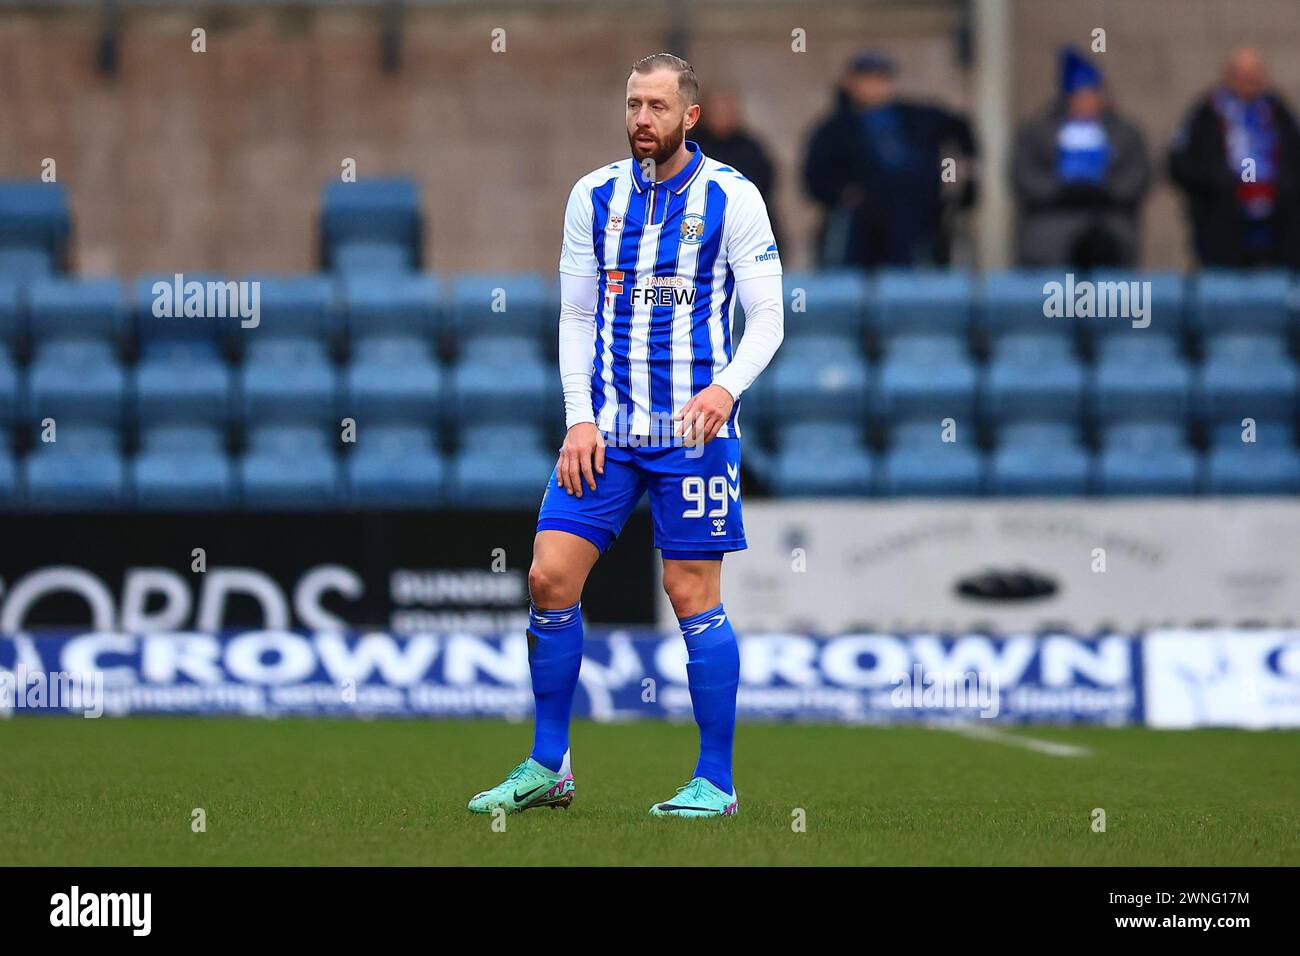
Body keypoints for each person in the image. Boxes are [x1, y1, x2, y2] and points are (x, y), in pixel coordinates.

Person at [466, 53, 785, 819]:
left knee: (691, 593)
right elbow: (576, 316)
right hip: (607, 432)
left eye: (657, 107)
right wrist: (579, 417)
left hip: (694, 432)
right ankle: (550, 766)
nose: (642, 119)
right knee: (548, 576)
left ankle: (716, 781)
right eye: (634, 104)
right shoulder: (594, 195)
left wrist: (725, 388)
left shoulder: (732, 198)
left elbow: (769, 316)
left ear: (690, 117)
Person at [803, 49, 976, 268]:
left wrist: (965, 174)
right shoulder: (834, 129)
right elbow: (814, 178)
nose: (874, 86)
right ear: (850, 82)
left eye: (880, 79)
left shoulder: (918, 116)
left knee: (917, 282)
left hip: (917, 220)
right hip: (861, 226)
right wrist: (845, 194)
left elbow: (960, 128)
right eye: (867, 78)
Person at [1010, 46, 1151, 268]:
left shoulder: (1124, 132)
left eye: (1092, 94)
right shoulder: (1038, 131)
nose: (1086, 101)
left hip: (1109, 228)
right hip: (1051, 232)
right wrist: (1061, 191)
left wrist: (1104, 192)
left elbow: (1137, 175)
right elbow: (1023, 175)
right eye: (1079, 95)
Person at [1170, 46, 1300, 268]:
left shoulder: (1279, 112)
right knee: (1221, 213)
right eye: (1242, 73)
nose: (1249, 79)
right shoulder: (1207, 113)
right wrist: (1216, 180)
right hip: (1224, 202)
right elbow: (1180, 163)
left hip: (1277, 204)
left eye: (1254, 73)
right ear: (1228, 76)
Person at [691, 88, 784, 253]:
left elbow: (766, 181)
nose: (724, 115)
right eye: (718, 110)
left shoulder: (750, 147)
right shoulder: (690, 147)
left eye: (728, 109)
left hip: (747, 227)